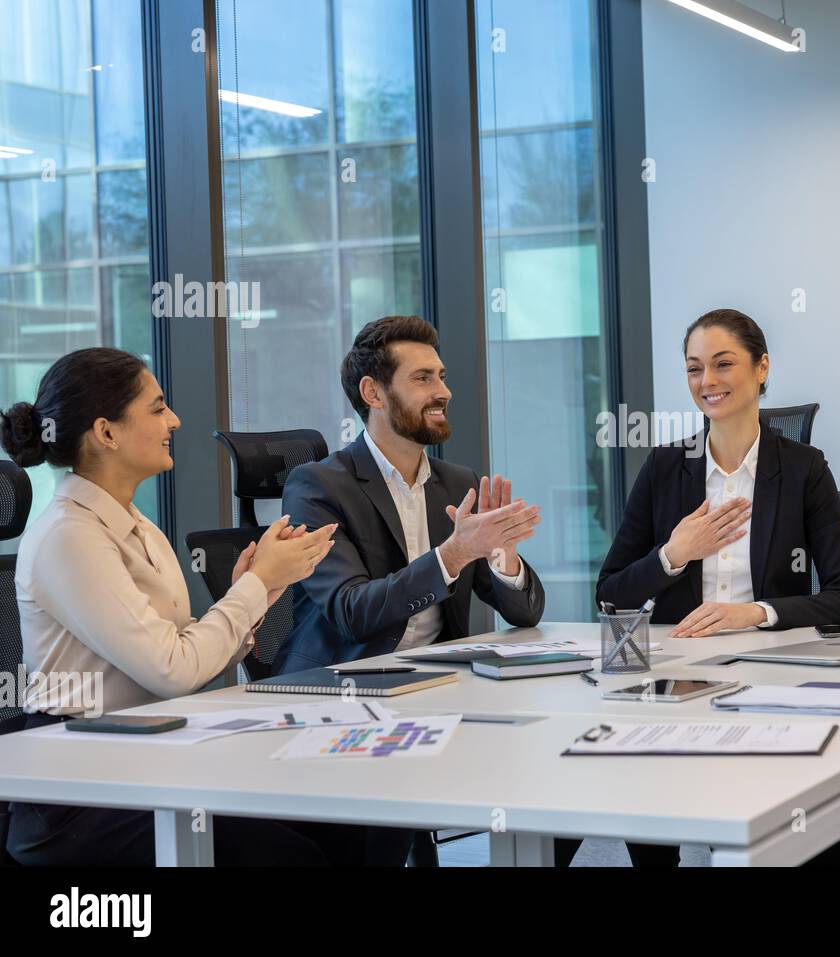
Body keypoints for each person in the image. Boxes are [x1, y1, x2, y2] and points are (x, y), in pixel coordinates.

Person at [0, 347, 339, 866]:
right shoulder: (69, 536)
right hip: (78, 786)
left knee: (323, 826)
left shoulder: (137, 525)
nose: (174, 420)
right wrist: (251, 590)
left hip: (142, 752)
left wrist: (259, 591)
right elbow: (174, 672)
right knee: (294, 855)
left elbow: (184, 654)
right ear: (107, 433)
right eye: (157, 408)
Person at [587, 308, 840, 867]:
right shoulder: (666, 467)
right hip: (674, 677)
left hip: (767, 673)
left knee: (756, 816)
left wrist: (755, 613)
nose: (706, 381)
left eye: (723, 364)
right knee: (641, 784)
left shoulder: (805, 468)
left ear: (762, 369)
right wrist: (673, 555)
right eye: (694, 369)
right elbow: (610, 594)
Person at [273, 315, 544, 674]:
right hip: (342, 683)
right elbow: (352, 613)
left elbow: (525, 614)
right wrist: (454, 554)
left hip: (435, 679)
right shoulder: (317, 486)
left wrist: (502, 556)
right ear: (373, 393)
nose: (443, 392)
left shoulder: (458, 484)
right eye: (422, 378)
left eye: (441, 377)